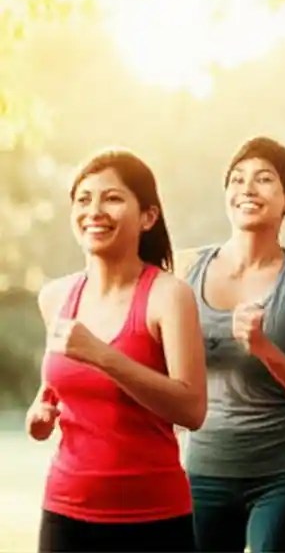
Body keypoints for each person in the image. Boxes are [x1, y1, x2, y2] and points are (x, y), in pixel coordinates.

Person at [28, 150, 207, 552]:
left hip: (153, 517)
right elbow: (52, 392)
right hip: (65, 511)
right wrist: (39, 416)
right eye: (83, 199)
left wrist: (103, 355)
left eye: (111, 198)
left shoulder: (168, 295)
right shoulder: (55, 297)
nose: (94, 210)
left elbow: (192, 409)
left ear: (148, 217)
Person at [181, 137, 285, 552]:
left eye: (264, 179)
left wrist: (263, 347)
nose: (247, 188)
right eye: (237, 179)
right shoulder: (186, 270)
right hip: (202, 471)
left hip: (282, 475)